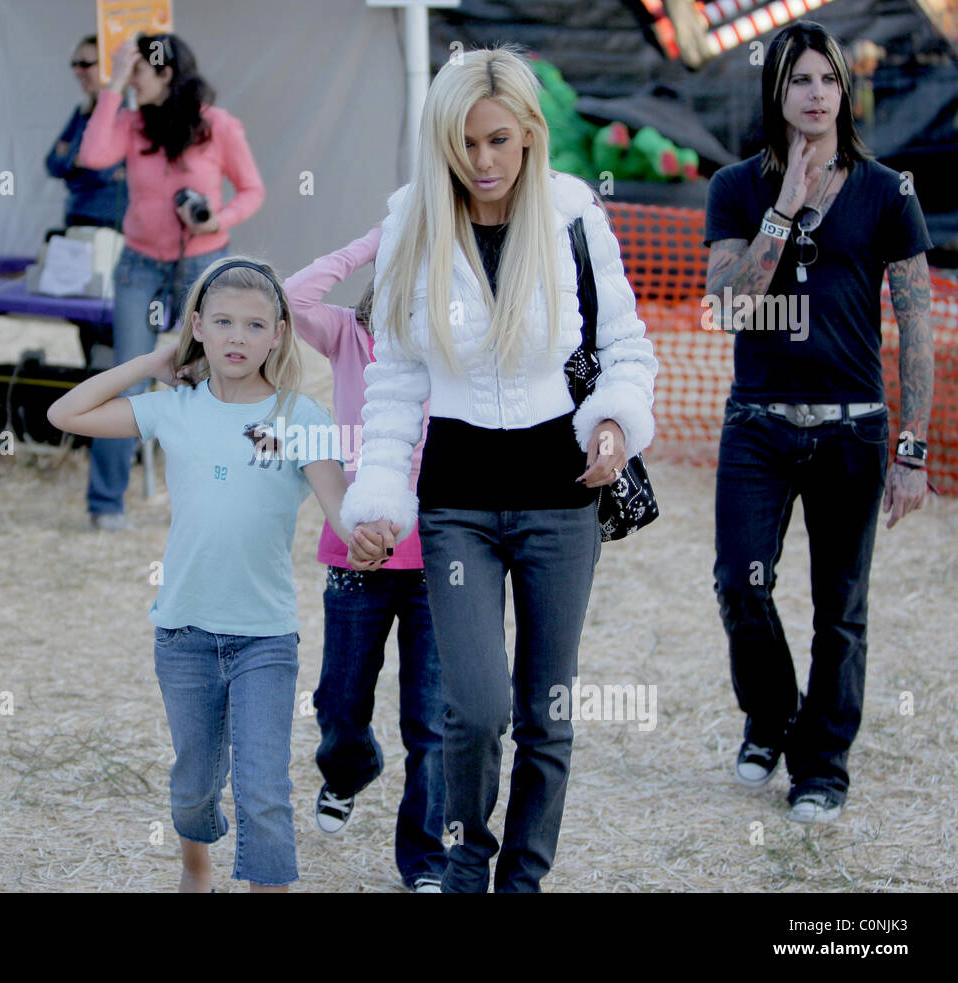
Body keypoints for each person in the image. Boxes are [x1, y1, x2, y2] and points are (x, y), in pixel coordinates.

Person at [339, 47, 658, 893]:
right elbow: (396, 380)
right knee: (474, 710)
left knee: (548, 712)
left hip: (563, 495)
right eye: (464, 143)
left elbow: (624, 345)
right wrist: (377, 493)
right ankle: (465, 864)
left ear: (530, 137)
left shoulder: (575, 215)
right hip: (458, 503)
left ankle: (523, 878)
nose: (482, 162)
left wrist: (617, 427)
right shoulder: (412, 219)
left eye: (498, 141)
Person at [48, 258, 348, 892]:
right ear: (199, 328)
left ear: (278, 334)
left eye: (254, 325)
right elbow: (65, 415)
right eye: (223, 322)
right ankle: (195, 865)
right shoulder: (173, 409)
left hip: (264, 635)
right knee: (193, 784)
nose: (237, 337)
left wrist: (366, 538)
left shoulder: (302, 417)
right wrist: (153, 363)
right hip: (183, 634)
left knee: (263, 786)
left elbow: (339, 509)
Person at [704, 21, 933, 824]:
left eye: (827, 79)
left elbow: (916, 321)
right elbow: (728, 305)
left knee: (841, 610)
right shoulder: (735, 187)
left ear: (843, 90)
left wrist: (912, 449)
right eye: (798, 79)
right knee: (740, 582)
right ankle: (772, 716)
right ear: (778, 92)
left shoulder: (886, 191)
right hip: (759, 427)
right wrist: (785, 210)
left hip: (853, 432)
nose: (814, 93)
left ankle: (822, 766)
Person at [284, 229, 446, 892]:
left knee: (432, 719)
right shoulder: (351, 334)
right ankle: (348, 769)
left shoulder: (459, 350)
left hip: (440, 558)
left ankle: (427, 860)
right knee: (340, 699)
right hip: (357, 554)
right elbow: (289, 299)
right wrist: (376, 239)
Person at [75, 33, 264, 530]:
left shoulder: (217, 126)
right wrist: (113, 84)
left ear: (168, 72)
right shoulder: (132, 123)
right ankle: (106, 503)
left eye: (139, 70)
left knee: (213, 378)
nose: (133, 79)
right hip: (139, 263)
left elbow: (252, 189)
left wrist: (217, 219)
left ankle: (214, 494)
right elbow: (92, 155)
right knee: (129, 377)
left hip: (202, 266)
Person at [44, 33, 127, 365]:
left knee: (106, 316)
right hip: (78, 225)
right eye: (74, 63)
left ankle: (114, 389)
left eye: (86, 63)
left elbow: (99, 168)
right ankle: (95, 385)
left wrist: (76, 161)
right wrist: (77, 162)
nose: (78, 70)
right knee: (83, 312)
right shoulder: (81, 112)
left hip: (110, 228)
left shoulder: (122, 111)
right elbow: (53, 162)